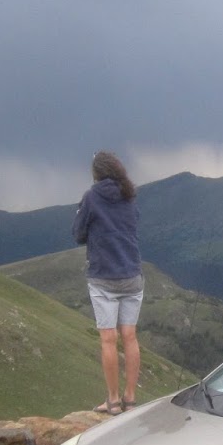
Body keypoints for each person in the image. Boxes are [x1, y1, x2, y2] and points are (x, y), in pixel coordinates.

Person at [73, 151, 143, 414]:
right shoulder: (129, 195)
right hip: (132, 274)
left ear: (97, 173)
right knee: (130, 337)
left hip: (103, 277)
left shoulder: (91, 197)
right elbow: (134, 223)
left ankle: (113, 401)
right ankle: (130, 399)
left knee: (108, 339)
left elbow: (78, 233)